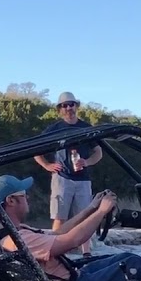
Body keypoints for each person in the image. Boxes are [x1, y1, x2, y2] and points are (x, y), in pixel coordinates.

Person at [0, 174, 141, 281]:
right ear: (11, 200)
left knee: (125, 257)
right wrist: (103, 211)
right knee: (133, 264)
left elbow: (59, 233)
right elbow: (72, 240)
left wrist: (91, 208)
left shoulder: (17, 231)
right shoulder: (17, 240)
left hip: (74, 277)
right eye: (24, 195)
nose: (29, 198)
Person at [33, 91, 104, 255]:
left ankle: (86, 253)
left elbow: (98, 152)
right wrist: (47, 165)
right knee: (59, 216)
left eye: (71, 104)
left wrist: (86, 162)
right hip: (61, 178)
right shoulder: (54, 129)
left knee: (85, 217)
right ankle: (55, 254)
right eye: (64, 105)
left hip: (83, 179)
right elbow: (36, 150)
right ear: (60, 109)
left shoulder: (86, 128)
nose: (68, 108)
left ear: (76, 106)